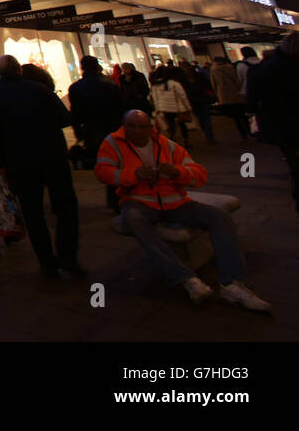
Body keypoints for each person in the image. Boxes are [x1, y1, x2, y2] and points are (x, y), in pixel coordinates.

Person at [95, 110, 270, 311]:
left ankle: (233, 283)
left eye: (142, 126)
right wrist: (132, 174)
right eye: (131, 126)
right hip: (138, 200)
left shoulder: (166, 145)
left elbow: (199, 175)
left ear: (151, 128)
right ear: (123, 126)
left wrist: (178, 172)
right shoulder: (113, 143)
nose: (136, 131)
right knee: (133, 218)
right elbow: (103, 172)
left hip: (174, 201)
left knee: (219, 217)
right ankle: (185, 278)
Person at [0, 55, 80, 277]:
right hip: (52, 156)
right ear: (18, 69)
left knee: (32, 212)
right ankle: (67, 255)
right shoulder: (39, 89)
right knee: (66, 206)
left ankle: (47, 262)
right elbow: (65, 118)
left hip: (20, 162)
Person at [244, 32, 299, 213]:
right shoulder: (277, 68)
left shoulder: (264, 70)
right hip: (285, 124)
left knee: (294, 163)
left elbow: (252, 99)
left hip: (280, 126)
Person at [67, 56, 128, 213]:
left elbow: (75, 114)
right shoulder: (110, 85)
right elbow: (122, 106)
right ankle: (117, 199)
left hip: (92, 131)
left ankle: (115, 199)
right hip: (112, 128)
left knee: (103, 163)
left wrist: (79, 132)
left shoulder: (76, 88)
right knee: (116, 163)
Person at [150, 65, 193, 147]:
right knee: (182, 124)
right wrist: (188, 107)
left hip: (165, 108)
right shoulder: (174, 84)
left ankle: (172, 141)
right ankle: (185, 140)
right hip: (178, 108)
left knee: (170, 125)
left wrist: (157, 109)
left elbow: (155, 99)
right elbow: (183, 96)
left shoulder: (155, 86)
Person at [209, 56, 250, 141]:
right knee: (241, 112)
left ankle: (242, 133)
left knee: (235, 116)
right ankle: (248, 129)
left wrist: (217, 94)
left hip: (224, 95)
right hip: (235, 93)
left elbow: (213, 84)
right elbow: (237, 80)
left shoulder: (213, 69)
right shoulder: (230, 67)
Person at [178, 60, 216, 145]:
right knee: (205, 118)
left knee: (202, 119)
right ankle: (209, 135)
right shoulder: (197, 75)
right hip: (201, 99)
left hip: (195, 101)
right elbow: (207, 85)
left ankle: (208, 135)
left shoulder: (183, 79)